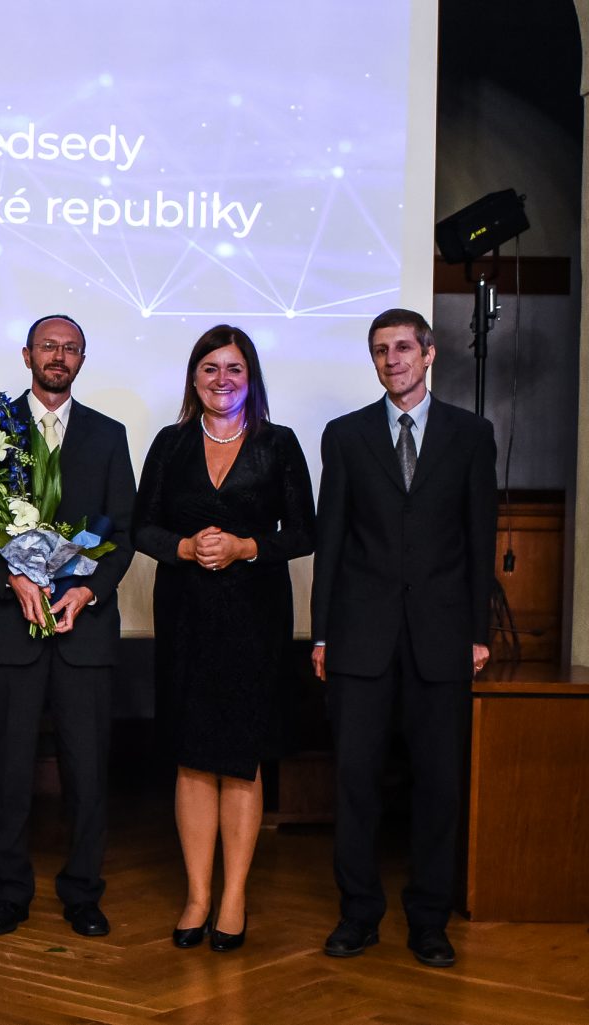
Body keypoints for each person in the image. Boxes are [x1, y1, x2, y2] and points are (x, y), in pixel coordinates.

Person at [312, 308, 496, 969]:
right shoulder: (347, 434)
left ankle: (429, 922)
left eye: (401, 348)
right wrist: (322, 634)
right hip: (360, 637)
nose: (390, 359)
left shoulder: (473, 435)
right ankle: (358, 915)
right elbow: (330, 538)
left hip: (443, 636)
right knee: (356, 780)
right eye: (379, 351)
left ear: (428, 354)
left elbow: (479, 538)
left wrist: (477, 632)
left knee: (439, 784)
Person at [0, 314, 135, 938]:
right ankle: (9, 894)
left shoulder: (109, 436)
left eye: (70, 348)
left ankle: (83, 892)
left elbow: (125, 529)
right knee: (7, 770)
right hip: (11, 625)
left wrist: (87, 589)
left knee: (87, 771)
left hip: (84, 630)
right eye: (48, 346)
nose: (58, 356)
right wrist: (14, 581)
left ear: (82, 359)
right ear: (27, 354)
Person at [133, 325, 315, 952]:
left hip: (254, 616)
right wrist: (183, 547)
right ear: (193, 377)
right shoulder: (170, 443)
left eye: (233, 368)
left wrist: (245, 546)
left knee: (241, 756)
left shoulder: (279, 445)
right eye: (209, 368)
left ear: (251, 377)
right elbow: (141, 529)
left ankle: (234, 896)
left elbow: (304, 534)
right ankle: (197, 895)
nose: (221, 379)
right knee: (192, 753)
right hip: (185, 611)